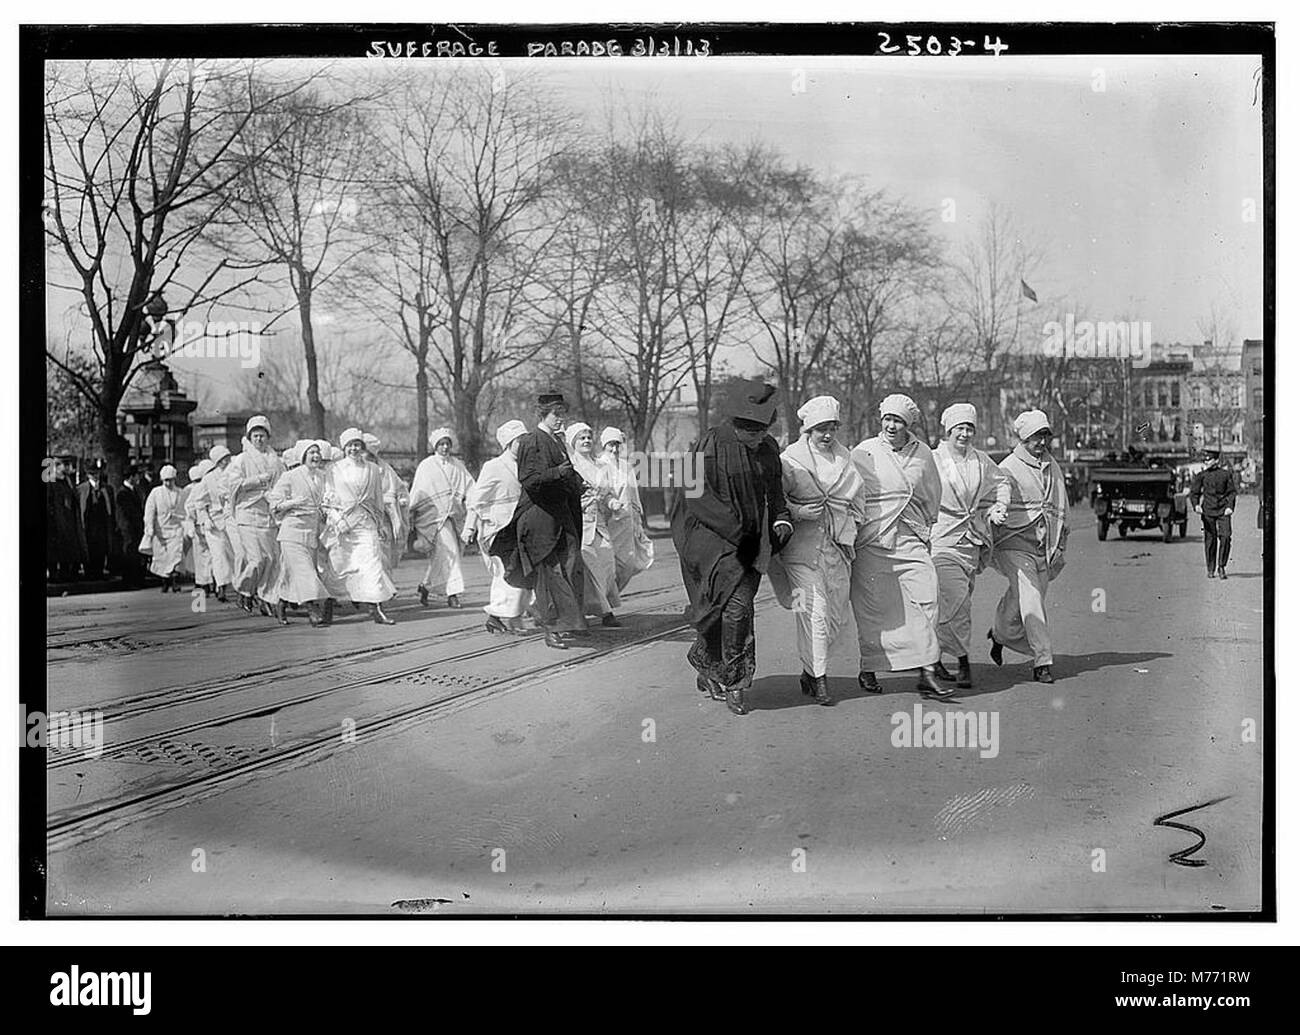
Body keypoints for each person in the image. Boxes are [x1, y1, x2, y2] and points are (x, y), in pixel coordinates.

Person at [671, 379, 793, 716]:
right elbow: (696, 496)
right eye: (747, 430)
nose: (754, 437)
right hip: (707, 537)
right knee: (733, 606)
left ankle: (707, 662)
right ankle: (735, 682)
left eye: (760, 430)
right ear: (734, 423)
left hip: (751, 539)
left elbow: (775, 491)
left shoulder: (768, 449)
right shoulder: (708, 444)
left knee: (728, 607)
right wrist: (740, 533)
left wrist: (782, 518)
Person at [768, 395, 865, 707]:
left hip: (836, 547)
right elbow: (775, 501)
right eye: (821, 428)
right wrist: (797, 512)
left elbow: (858, 499)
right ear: (807, 430)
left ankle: (810, 672)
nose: (827, 434)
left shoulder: (845, 458)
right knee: (814, 613)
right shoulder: (789, 460)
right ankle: (821, 681)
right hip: (801, 550)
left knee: (836, 617)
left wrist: (852, 522)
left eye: (832, 428)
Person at [849, 394, 948, 698]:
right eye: (888, 419)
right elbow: (850, 492)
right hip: (873, 538)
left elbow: (933, 492)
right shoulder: (864, 451)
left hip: (910, 535)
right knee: (875, 609)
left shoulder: (924, 455)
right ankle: (869, 667)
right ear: (881, 421)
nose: (892, 425)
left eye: (899, 421)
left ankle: (927, 668)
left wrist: (924, 524)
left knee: (928, 596)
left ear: (909, 424)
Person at [490, 391, 589, 650]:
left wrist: (578, 484)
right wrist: (558, 472)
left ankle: (559, 618)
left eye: (562, 414)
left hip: (560, 517)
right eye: (556, 415)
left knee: (571, 566)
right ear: (543, 414)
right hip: (540, 520)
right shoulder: (533, 440)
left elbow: (562, 475)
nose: (560, 419)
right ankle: (551, 628)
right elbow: (530, 480)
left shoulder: (556, 441)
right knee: (550, 574)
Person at [930, 403, 1011, 690]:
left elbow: (1002, 483)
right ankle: (963, 662)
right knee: (956, 600)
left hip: (971, 540)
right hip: (941, 539)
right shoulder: (933, 459)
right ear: (948, 430)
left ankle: (934, 658)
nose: (963, 434)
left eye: (969, 429)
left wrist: (998, 507)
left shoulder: (981, 461)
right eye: (958, 429)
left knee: (957, 599)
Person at [988, 409, 1070, 684]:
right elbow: (996, 501)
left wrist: (1061, 540)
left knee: (1020, 601)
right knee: (1031, 598)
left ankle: (999, 634)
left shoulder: (1052, 465)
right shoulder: (1008, 467)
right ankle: (1042, 661)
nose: (1042, 442)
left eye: (1045, 436)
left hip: (1042, 547)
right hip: (1013, 544)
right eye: (1036, 437)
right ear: (1023, 438)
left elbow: (1061, 504)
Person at [462, 420, 533, 634]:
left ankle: (501, 615)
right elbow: (475, 499)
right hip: (498, 527)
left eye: (525, 440)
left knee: (522, 572)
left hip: (522, 526)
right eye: (519, 441)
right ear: (508, 443)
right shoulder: (493, 467)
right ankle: (510, 617)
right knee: (508, 571)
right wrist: (469, 527)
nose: (523, 445)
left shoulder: (528, 465)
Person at [322, 428, 398, 624]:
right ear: (344, 447)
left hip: (367, 523)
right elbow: (328, 499)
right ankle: (328, 606)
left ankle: (376, 609)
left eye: (357, 445)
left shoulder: (372, 469)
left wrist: (380, 523)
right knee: (339, 566)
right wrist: (337, 519)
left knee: (372, 564)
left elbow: (378, 499)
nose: (354, 449)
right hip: (344, 524)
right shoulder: (334, 469)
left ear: (362, 447)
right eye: (350, 445)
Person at [268, 440, 334, 626]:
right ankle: (313, 610)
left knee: (294, 575)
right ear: (303, 456)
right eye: (311, 452)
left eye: (317, 452)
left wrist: (325, 510)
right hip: (292, 533)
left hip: (312, 533)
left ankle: (281, 603)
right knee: (306, 573)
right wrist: (292, 503)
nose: (316, 456)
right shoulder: (290, 476)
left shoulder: (323, 476)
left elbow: (328, 500)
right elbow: (274, 503)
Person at [225, 415, 286, 616]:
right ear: (249, 437)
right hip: (247, 514)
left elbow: (281, 486)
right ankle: (243, 589)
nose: (259, 439)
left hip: (267, 516)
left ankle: (264, 596)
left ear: (268, 437)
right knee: (257, 559)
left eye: (262, 436)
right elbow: (231, 485)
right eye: (255, 436)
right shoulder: (240, 460)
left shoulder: (275, 461)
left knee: (270, 559)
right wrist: (256, 481)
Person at [409, 427, 474, 609]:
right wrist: (411, 513)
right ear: (435, 446)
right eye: (441, 444)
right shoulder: (427, 465)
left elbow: (470, 486)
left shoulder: (457, 465)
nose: (445, 447)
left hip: (454, 517)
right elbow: (418, 493)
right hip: (434, 519)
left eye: (447, 444)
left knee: (442, 555)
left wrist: (475, 502)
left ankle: (426, 586)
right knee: (450, 552)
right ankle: (453, 594)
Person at [566, 422, 623, 627]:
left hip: (600, 524)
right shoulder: (570, 466)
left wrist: (612, 502)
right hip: (580, 525)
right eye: (581, 438)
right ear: (573, 442)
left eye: (589, 437)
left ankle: (599, 606)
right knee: (590, 567)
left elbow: (607, 494)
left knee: (608, 565)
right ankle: (605, 613)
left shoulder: (602, 466)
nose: (586, 441)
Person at [599, 427, 654, 592]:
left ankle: (610, 596)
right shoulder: (599, 465)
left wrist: (638, 522)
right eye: (611, 445)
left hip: (626, 524)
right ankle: (605, 602)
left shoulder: (626, 467)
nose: (614, 449)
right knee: (607, 566)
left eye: (617, 445)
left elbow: (634, 495)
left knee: (628, 565)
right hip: (608, 523)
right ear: (604, 445)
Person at [364, 433, 410, 578]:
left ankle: (384, 588)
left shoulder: (385, 470)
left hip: (382, 517)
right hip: (361, 517)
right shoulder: (352, 469)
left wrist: (400, 499)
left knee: (382, 554)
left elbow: (399, 488)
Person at [196, 445, 236, 602]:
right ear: (217, 462)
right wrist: (205, 519)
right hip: (214, 524)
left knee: (235, 555)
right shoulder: (208, 479)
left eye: (228, 458)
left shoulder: (234, 474)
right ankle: (221, 588)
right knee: (219, 556)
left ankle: (241, 588)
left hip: (231, 520)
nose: (227, 462)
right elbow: (199, 502)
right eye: (223, 460)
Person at [1189, 447, 1237, 579]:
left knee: (1226, 537)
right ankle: (1211, 568)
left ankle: (1221, 566)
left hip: (1223, 511)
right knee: (1210, 540)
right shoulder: (1201, 476)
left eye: (1209, 460)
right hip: (1208, 511)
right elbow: (1194, 493)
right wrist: (1196, 505)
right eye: (1205, 460)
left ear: (1216, 460)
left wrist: (1230, 506)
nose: (1206, 462)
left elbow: (1232, 492)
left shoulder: (1225, 475)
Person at [142, 464, 189, 592]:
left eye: (171, 480)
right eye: (166, 480)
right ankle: (165, 582)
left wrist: (185, 524)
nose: (168, 483)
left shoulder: (180, 493)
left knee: (175, 556)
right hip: (160, 530)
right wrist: (149, 527)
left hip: (176, 529)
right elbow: (150, 511)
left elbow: (186, 510)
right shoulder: (156, 492)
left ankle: (174, 582)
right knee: (162, 558)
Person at [45, 457, 85, 581]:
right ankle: (54, 575)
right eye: (63, 465)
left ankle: (66, 573)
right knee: (54, 552)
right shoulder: (50, 483)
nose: (66, 468)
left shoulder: (68, 482)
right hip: (56, 524)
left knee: (67, 551)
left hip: (68, 522)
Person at [78, 461, 115, 580]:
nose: (95, 476)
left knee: (101, 548)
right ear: (88, 475)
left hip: (102, 525)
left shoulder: (107, 489)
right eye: (92, 473)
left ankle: (99, 572)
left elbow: (111, 508)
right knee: (89, 549)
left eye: (96, 473)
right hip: (88, 526)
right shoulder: (81, 489)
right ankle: (89, 573)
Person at [183, 461, 214, 595]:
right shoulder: (196, 489)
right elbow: (189, 508)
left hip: (212, 525)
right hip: (199, 526)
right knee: (201, 557)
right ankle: (204, 584)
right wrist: (191, 525)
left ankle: (214, 582)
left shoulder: (213, 485)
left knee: (213, 556)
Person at [114, 467, 147, 587]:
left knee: (135, 555)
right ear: (131, 477)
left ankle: (136, 579)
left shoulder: (134, 491)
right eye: (137, 476)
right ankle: (129, 580)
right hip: (127, 529)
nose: (138, 478)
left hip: (135, 528)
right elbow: (128, 513)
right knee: (129, 555)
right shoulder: (122, 493)